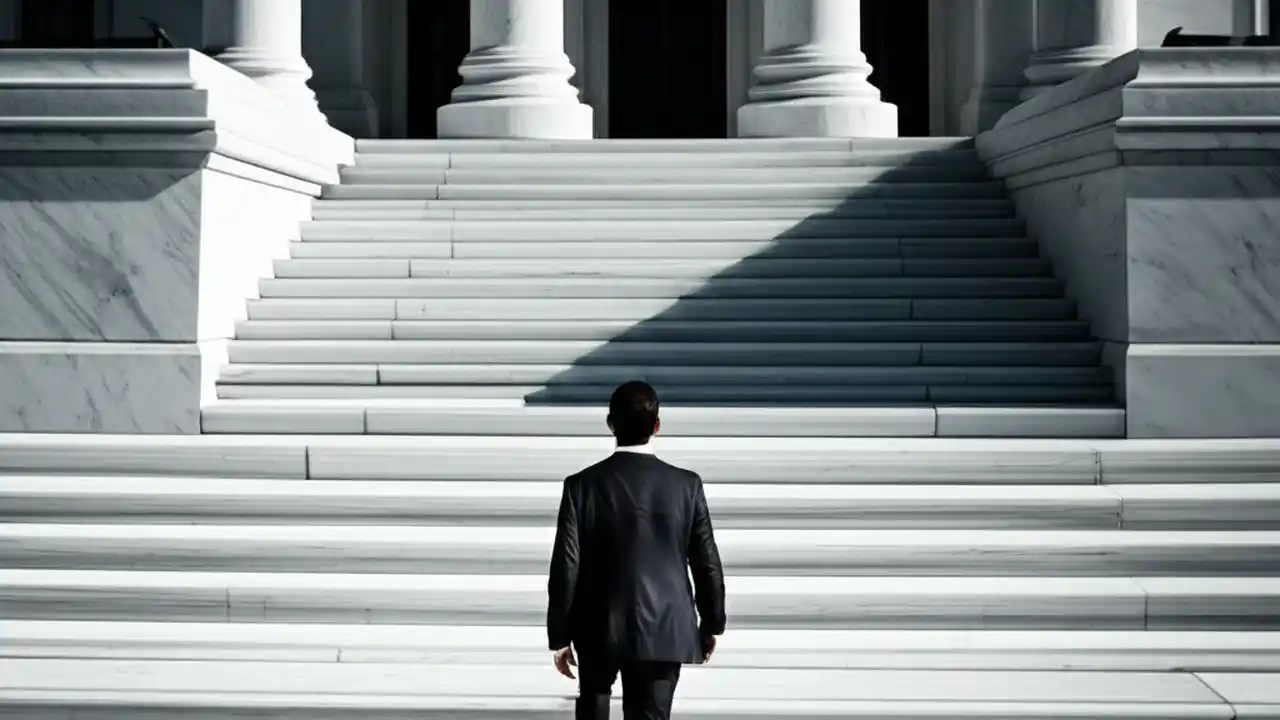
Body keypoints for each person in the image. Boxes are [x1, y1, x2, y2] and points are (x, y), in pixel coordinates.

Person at [546, 381, 726, 720]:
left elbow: (565, 567)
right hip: (665, 626)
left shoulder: (581, 486)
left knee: (593, 707)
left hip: (598, 625)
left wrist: (559, 635)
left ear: (610, 424)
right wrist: (711, 623)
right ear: (657, 426)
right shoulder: (687, 486)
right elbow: (706, 564)